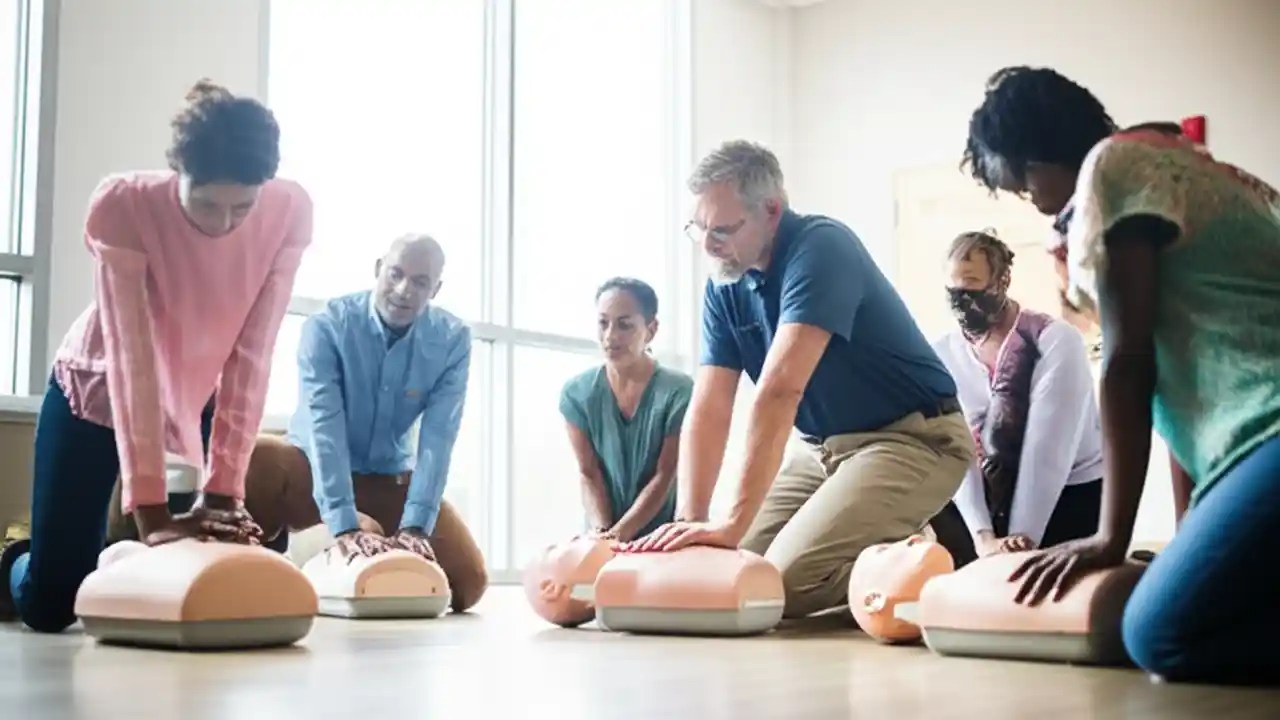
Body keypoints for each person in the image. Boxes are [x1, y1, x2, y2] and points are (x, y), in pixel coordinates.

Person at [963, 65, 1280, 684]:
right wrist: (1190, 536)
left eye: (1024, 185)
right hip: (1253, 449)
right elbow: (1180, 386)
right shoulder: (1192, 169)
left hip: (1270, 438)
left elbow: (1129, 363)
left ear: (1033, 153)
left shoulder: (1115, 165)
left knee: (1159, 634)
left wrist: (1111, 537)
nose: (1031, 201)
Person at [0, 79, 312, 632]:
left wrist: (223, 490)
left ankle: (105, 547)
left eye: (242, 205)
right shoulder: (126, 205)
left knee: (213, 542)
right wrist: (149, 511)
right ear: (178, 174)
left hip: (196, 391)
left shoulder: (288, 211)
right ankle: (16, 560)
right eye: (207, 203)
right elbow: (131, 361)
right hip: (96, 389)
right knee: (53, 603)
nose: (223, 222)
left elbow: (251, 355)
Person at [623, 140, 973, 619]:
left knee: (780, 583)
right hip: (822, 451)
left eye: (723, 229)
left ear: (772, 210)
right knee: (733, 571)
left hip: (913, 440)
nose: (708, 244)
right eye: (698, 228)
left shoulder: (822, 247)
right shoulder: (725, 283)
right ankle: (887, 539)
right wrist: (692, 523)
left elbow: (779, 391)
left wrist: (732, 522)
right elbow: (710, 405)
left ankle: (916, 560)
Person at [242, 234, 488, 613]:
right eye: (396, 274)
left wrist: (415, 528)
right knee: (258, 457)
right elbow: (325, 429)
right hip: (311, 467)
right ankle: (281, 560)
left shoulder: (452, 340)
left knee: (468, 584)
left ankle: (323, 571)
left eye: (420, 282)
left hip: (387, 476)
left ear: (435, 289)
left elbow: (438, 440)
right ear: (379, 270)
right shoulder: (327, 326)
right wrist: (344, 524)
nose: (404, 290)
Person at [929, 229, 1102, 567]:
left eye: (972, 281)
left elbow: (1047, 450)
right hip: (988, 497)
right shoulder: (943, 353)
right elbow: (955, 447)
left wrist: (1020, 544)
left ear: (1001, 280)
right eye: (953, 287)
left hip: (1069, 493)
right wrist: (983, 538)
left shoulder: (1054, 341)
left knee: (1039, 583)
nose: (961, 295)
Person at [560, 278, 694, 542]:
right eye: (603, 323)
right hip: (603, 531)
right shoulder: (577, 393)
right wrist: (602, 532)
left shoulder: (678, 390)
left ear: (651, 329)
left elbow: (665, 474)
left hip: (663, 536)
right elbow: (589, 471)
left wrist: (620, 535)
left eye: (624, 325)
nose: (611, 336)